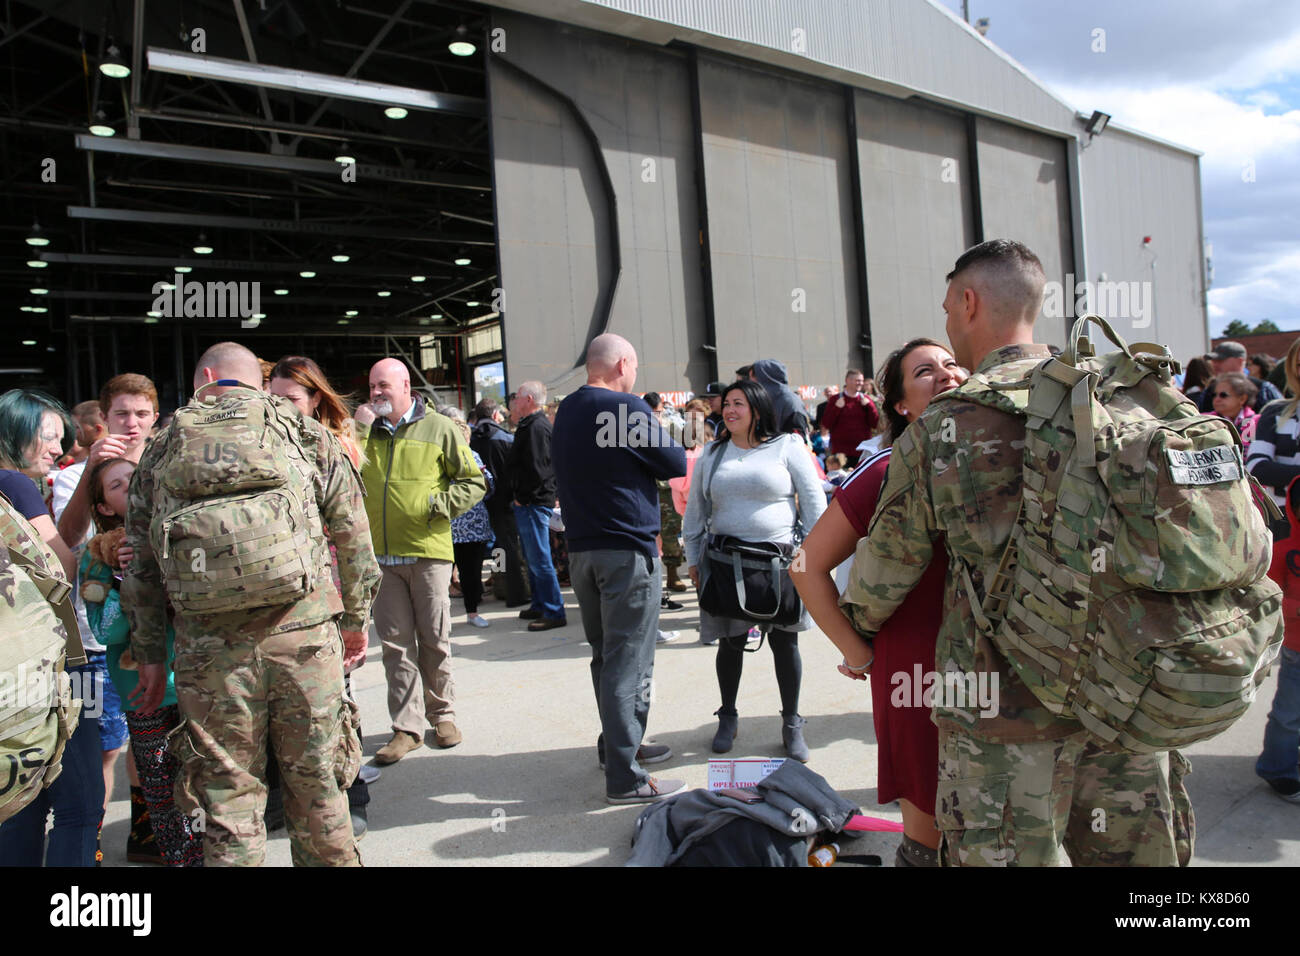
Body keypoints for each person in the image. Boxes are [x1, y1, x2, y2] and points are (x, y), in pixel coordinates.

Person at [840, 239, 1192, 866]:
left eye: (949, 308)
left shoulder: (944, 427)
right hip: (1132, 691)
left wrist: (856, 637)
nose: (948, 321)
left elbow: (884, 574)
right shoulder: (1121, 395)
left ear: (969, 303)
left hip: (1006, 712)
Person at [123, 341, 382, 866]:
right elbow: (354, 537)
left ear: (206, 378)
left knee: (227, 800)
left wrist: (149, 653)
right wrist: (355, 621)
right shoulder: (301, 431)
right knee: (318, 789)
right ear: (256, 383)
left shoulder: (161, 446)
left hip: (208, 653)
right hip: (304, 639)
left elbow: (142, 564)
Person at [791, 338, 967, 867]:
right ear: (900, 406)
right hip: (919, 667)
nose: (945, 374)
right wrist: (859, 652)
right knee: (929, 824)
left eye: (951, 363)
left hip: (1004, 662)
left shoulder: (1007, 455)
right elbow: (806, 566)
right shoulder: (888, 470)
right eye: (924, 371)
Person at [552, 333, 688, 803]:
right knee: (629, 661)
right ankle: (625, 777)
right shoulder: (626, 409)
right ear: (623, 364)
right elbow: (672, 461)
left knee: (607, 657)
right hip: (626, 549)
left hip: (584, 551)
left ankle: (619, 747)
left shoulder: (567, 410)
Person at [683, 379, 826, 762]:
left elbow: (813, 505)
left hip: (780, 566)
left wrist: (808, 559)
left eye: (739, 404)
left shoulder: (787, 446)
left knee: (785, 644)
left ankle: (792, 722)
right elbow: (695, 513)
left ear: (758, 410)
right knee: (730, 645)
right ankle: (727, 715)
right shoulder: (712, 454)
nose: (729, 410)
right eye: (726, 404)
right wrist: (693, 560)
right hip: (727, 566)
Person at [357, 359, 485, 763]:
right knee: (395, 646)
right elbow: (344, 477)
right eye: (372, 387)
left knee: (434, 639)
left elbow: (475, 481)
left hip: (428, 551)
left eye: (383, 386)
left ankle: (442, 715)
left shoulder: (439, 428)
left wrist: (437, 505)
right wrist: (357, 429)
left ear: (405, 386)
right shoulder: (365, 434)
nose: (376, 393)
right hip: (381, 557)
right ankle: (406, 727)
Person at [79, 456, 203, 866]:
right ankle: (180, 859)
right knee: (163, 791)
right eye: (116, 486)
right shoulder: (98, 558)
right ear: (103, 507)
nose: (129, 487)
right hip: (144, 693)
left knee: (209, 782)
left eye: (135, 478)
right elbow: (105, 632)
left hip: (198, 678)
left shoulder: (180, 530)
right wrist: (124, 581)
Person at [268, 355, 373, 836]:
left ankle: (353, 797)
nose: (279, 407)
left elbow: (352, 538)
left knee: (333, 703)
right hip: (275, 599)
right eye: (271, 397)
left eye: (289, 398)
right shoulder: (260, 445)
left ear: (314, 399)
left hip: (323, 597)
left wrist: (355, 616)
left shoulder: (331, 447)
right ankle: (280, 801)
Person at [0, 389, 101, 867]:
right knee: (81, 804)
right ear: (12, 433)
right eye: (47, 438)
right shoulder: (14, 486)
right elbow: (62, 570)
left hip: (14, 675)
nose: (58, 450)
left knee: (21, 801)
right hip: (63, 668)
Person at [1246, 337, 1300, 802]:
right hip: (1289, 542)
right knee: (1295, 663)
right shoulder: (1276, 414)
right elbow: (1256, 467)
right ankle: (1280, 765)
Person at [508, 381, 566, 631]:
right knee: (534, 557)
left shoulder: (536, 428)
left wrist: (525, 496)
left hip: (533, 502)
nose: (514, 401)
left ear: (529, 399)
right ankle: (541, 603)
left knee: (540, 558)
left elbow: (539, 469)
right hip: (530, 501)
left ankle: (553, 609)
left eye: (518, 397)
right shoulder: (530, 426)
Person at [469, 399, 530, 607]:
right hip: (505, 503)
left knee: (490, 549)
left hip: (478, 503)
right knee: (509, 547)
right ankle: (514, 592)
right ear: (495, 415)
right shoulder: (505, 439)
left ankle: (494, 586)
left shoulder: (470, 440)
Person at [444, 410, 495, 629]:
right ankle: (472, 613)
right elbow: (489, 486)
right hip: (471, 525)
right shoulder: (472, 456)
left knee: (445, 573)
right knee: (470, 572)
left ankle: (445, 616)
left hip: (450, 524)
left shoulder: (442, 457)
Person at [1197, 341, 1280, 413]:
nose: (1214, 364)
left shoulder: (1263, 388)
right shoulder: (1209, 390)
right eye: (1213, 361)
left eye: (1220, 360)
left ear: (1239, 361)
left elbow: (1277, 417)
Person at [821, 368, 879, 467]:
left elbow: (875, 423)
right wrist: (837, 408)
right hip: (841, 454)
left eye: (861, 381)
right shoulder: (835, 400)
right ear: (847, 381)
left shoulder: (866, 400)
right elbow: (826, 423)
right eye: (858, 380)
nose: (860, 383)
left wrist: (869, 407)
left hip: (862, 452)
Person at [750, 359, 810, 437]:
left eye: (752, 377)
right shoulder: (767, 400)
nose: (750, 382)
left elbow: (798, 439)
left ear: (765, 378)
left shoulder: (790, 401)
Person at [1209, 372, 1259, 454]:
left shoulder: (1255, 421)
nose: (1217, 399)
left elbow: (1246, 452)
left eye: (1223, 395)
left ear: (1242, 399)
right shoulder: (1206, 420)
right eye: (1214, 395)